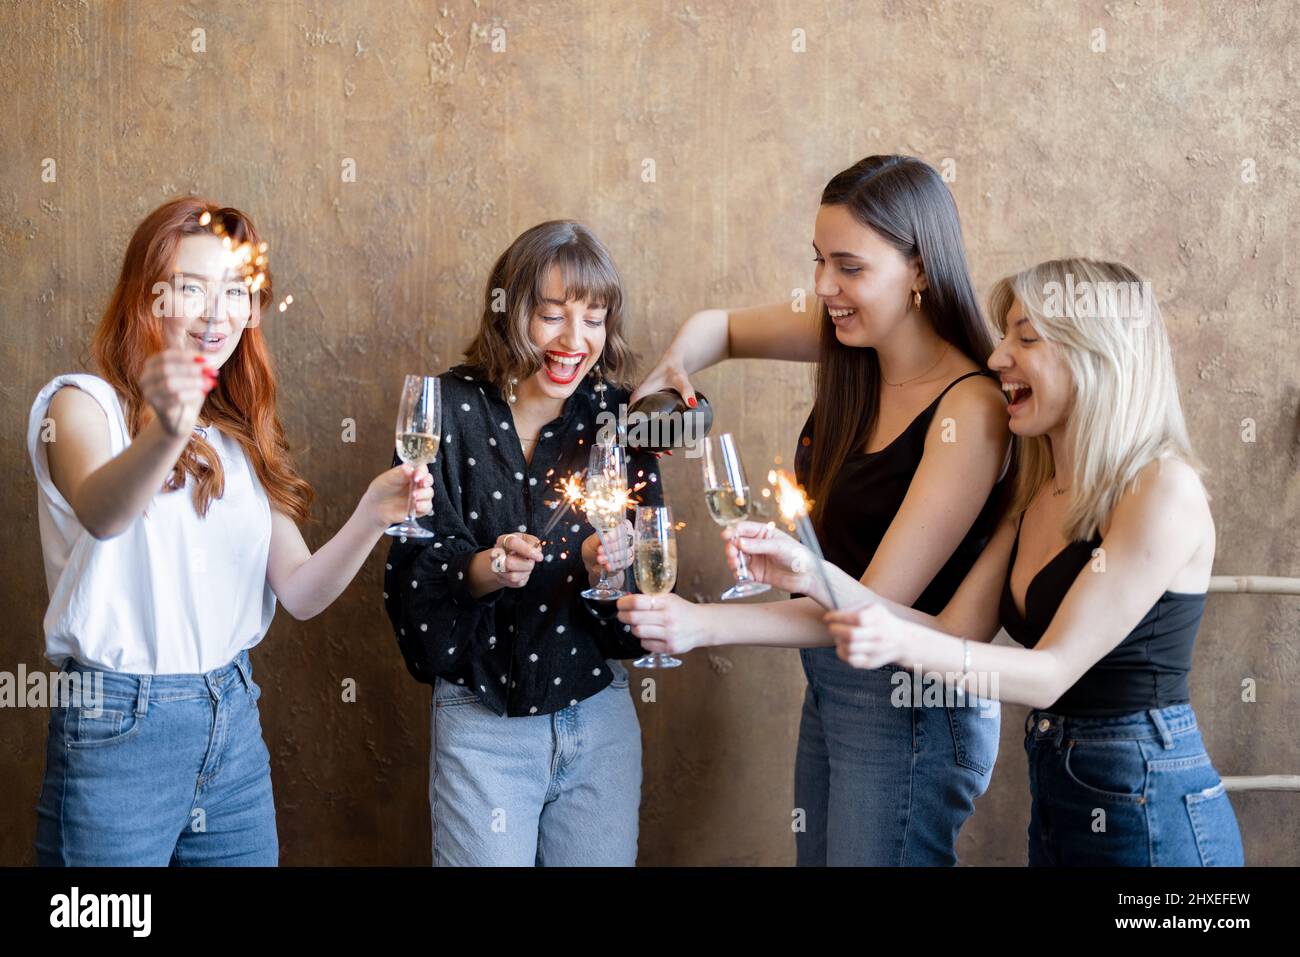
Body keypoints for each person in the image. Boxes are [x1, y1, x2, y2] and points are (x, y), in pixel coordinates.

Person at [717, 258, 1244, 866]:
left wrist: (890, 638)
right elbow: (950, 632)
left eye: (1025, 338)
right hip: (1062, 787)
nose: (995, 359)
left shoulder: (1162, 489)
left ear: (1100, 355)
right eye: (1003, 337)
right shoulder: (1037, 495)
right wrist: (812, 575)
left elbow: (1050, 673)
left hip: (1151, 798)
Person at [620, 156, 1011, 865]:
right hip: (833, 681)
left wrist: (702, 625)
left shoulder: (970, 410)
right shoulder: (852, 339)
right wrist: (670, 370)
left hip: (910, 705)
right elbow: (721, 328)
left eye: (850, 267)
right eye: (819, 261)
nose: (825, 287)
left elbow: (866, 607)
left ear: (920, 270)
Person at [28, 196, 429, 866]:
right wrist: (169, 430)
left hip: (232, 720)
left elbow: (300, 592)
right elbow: (105, 511)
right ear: (148, 298)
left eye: (237, 290)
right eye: (192, 288)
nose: (218, 313)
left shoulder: (237, 437)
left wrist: (371, 515)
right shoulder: (77, 404)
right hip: (116, 727)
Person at [384, 220, 662, 866]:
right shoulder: (443, 411)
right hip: (481, 723)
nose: (575, 340)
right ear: (509, 312)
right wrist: (485, 567)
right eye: (552, 315)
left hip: (598, 717)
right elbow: (410, 585)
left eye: (594, 318)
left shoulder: (618, 419)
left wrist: (609, 569)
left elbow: (652, 588)